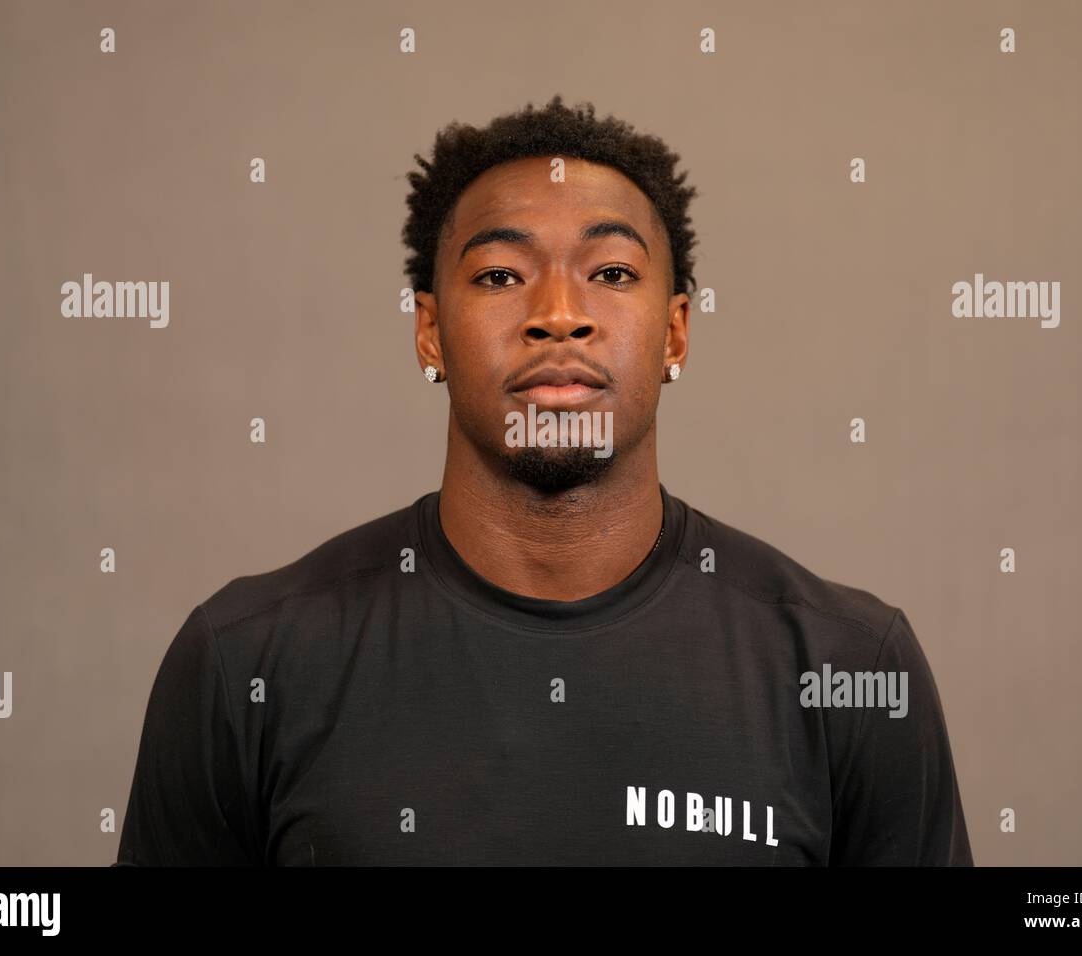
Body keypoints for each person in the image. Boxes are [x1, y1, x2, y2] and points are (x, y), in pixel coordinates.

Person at [115, 94, 973, 866]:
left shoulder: (849, 668)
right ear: (429, 333)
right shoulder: (248, 662)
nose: (558, 313)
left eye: (611, 273)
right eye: (499, 276)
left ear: (675, 332)